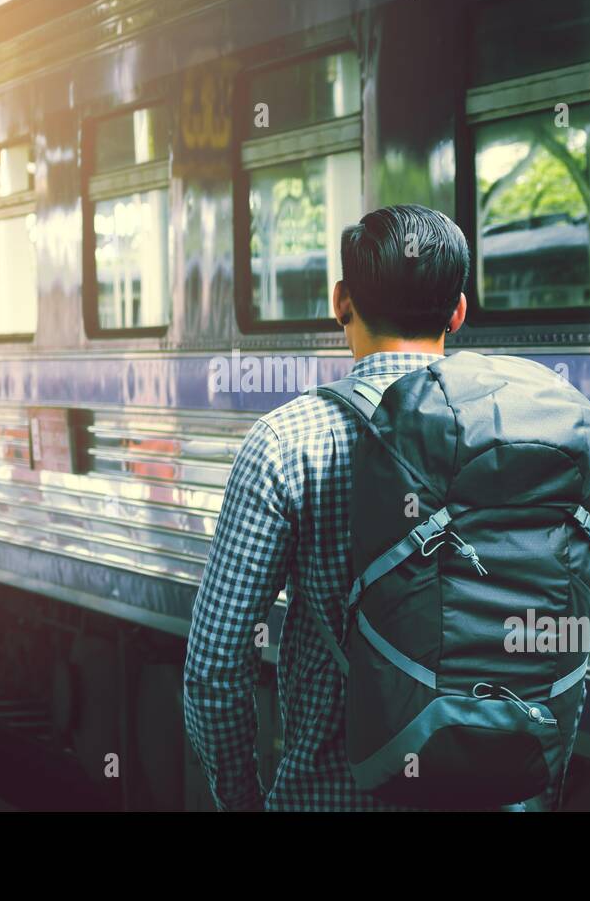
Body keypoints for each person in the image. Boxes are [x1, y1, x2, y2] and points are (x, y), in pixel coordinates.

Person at [183, 204, 470, 810]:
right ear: (458, 311)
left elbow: (214, 667)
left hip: (332, 797)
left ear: (341, 301)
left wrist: (240, 800)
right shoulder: (510, 434)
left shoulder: (287, 442)